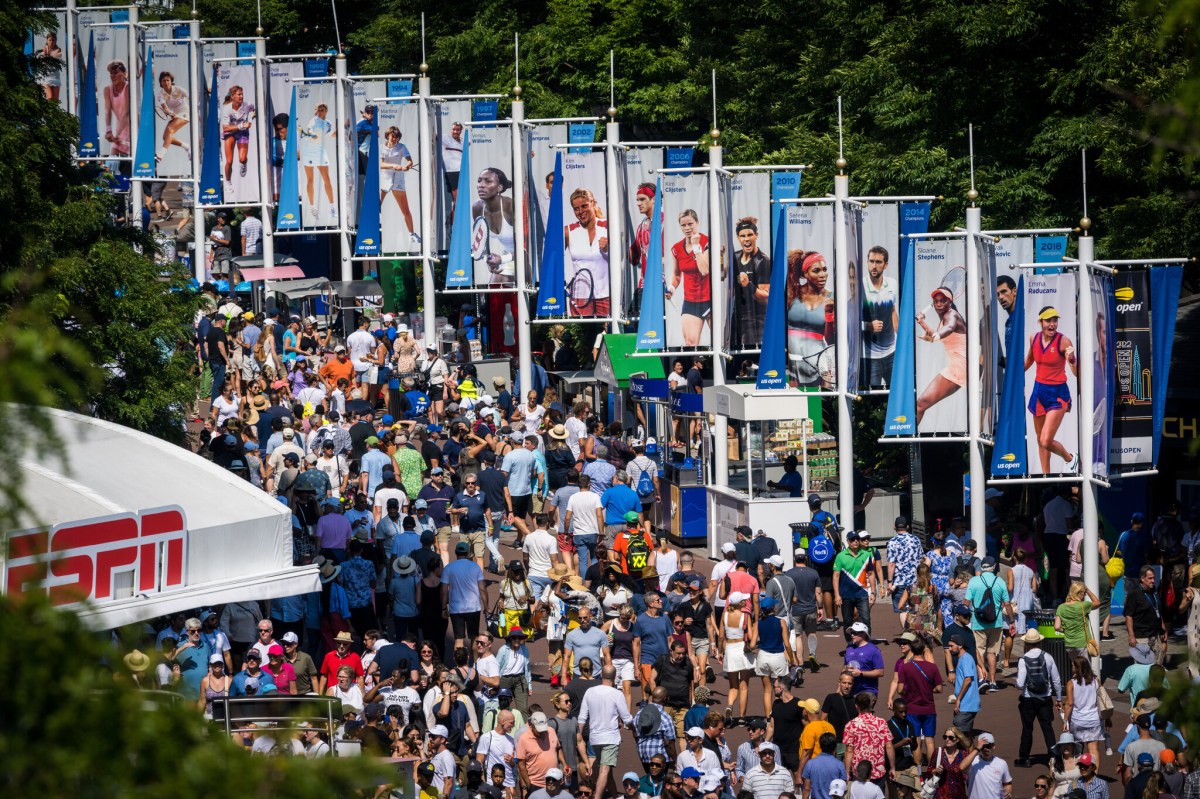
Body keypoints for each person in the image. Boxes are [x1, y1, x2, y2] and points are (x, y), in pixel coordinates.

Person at [1024, 307, 1079, 473]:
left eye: (1055, 320)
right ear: (1040, 322)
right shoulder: (1034, 338)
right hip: (1038, 392)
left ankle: (1071, 458)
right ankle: (1046, 476)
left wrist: (1072, 359)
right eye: (1048, 320)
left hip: (1058, 394)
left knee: (1046, 440)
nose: (1052, 324)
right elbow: (1029, 360)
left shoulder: (1064, 342)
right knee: (1039, 440)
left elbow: (1076, 373)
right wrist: (1013, 376)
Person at [578, 665, 634, 799]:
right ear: (615, 677)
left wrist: (579, 735)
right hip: (610, 738)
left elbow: (582, 716)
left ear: (601, 675)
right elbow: (626, 718)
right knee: (604, 769)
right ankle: (597, 797)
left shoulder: (590, 692)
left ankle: (614, 795)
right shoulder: (617, 694)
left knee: (605, 771)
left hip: (594, 738)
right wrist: (634, 726)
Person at [914, 286, 967, 426]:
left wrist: (936, 335)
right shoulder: (944, 318)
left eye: (943, 301)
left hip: (960, 369)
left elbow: (948, 328)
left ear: (950, 301)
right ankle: (910, 440)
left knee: (920, 404)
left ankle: (909, 443)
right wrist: (922, 322)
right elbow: (936, 334)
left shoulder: (952, 315)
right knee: (920, 404)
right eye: (936, 301)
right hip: (957, 367)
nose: (939, 304)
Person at [1013, 629, 1063, 768]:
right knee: (1047, 727)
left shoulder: (1023, 660)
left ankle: (1024, 758)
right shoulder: (1048, 656)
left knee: (1027, 728)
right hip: (1045, 698)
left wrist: (1016, 683)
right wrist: (1058, 698)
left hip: (1028, 699)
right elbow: (1056, 679)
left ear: (1026, 643)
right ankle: (1054, 756)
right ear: (1040, 642)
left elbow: (1020, 683)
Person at [786, 249, 835, 387]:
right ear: (805, 274)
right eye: (816, 271)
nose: (823, 275)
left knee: (820, 406)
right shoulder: (791, 294)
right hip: (791, 363)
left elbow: (831, 341)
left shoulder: (832, 298)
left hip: (818, 364)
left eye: (825, 270)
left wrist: (829, 315)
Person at [666, 209, 712, 346]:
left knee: (720, 342)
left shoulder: (707, 242)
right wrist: (672, 288)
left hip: (710, 300)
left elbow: (704, 270)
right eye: (683, 225)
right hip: (691, 301)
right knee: (690, 343)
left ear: (697, 223)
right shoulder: (676, 248)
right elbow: (676, 273)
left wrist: (696, 246)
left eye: (690, 224)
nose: (687, 228)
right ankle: (693, 368)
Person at [564, 188, 611, 317]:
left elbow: (623, 259)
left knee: (607, 335)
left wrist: (609, 249)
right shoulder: (568, 231)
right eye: (576, 208)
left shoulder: (609, 225)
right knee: (583, 337)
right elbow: (553, 259)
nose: (580, 212)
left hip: (606, 294)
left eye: (584, 206)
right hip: (580, 297)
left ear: (593, 203)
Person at [965, 557, 1010, 691]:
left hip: (978, 622)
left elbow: (966, 603)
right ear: (994, 566)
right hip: (996, 622)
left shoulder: (974, 581)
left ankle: (981, 679)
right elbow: (1007, 604)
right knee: (992, 653)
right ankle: (993, 682)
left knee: (979, 651)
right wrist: (1012, 621)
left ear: (981, 568)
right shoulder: (1000, 581)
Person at [731, 217, 771, 350]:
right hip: (736, 319)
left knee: (750, 357)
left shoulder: (762, 261)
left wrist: (748, 285)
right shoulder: (734, 257)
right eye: (743, 236)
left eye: (750, 235)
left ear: (756, 236)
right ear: (738, 238)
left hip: (756, 322)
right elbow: (722, 276)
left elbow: (766, 298)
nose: (746, 239)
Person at [862, 245, 898, 388]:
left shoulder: (893, 284)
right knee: (873, 400)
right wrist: (868, 326)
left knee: (895, 395)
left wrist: (900, 338)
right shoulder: (860, 286)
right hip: (870, 357)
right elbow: (849, 322)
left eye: (878, 262)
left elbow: (893, 311)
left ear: (886, 265)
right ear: (867, 262)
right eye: (871, 261)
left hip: (892, 353)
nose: (874, 266)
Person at [717, 592, 757, 722]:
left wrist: (720, 651)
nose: (746, 601)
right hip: (742, 650)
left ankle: (729, 705)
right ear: (740, 603)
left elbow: (721, 636)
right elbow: (751, 636)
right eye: (744, 600)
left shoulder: (725, 614)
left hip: (729, 648)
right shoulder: (745, 615)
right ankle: (741, 717)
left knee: (733, 686)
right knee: (744, 685)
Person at [474, 167, 516, 286]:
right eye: (479, 180)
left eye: (488, 181)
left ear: (499, 188)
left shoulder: (510, 206)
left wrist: (502, 259)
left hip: (529, 256)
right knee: (493, 289)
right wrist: (489, 261)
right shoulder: (477, 208)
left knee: (497, 283)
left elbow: (527, 247)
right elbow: (481, 244)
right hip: (508, 255)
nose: (481, 185)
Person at [443, 541, 488, 651]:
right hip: (473, 607)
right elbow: (482, 588)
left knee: (458, 639)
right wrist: (486, 606)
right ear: (468, 553)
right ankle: (475, 663)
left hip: (456, 608)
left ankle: (459, 665)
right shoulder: (475, 567)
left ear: (455, 552)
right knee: (474, 637)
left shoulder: (449, 568)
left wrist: (444, 607)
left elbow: (444, 590)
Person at [842, 692, 893, 790]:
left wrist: (847, 772)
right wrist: (892, 767)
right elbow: (889, 746)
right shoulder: (881, 722)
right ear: (870, 705)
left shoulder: (850, 725)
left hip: (858, 771)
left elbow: (849, 750)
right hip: (878, 769)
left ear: (856, 706)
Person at [834, 532, 876, 639]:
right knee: (847, 621)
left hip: (862, 593)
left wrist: (873, 592)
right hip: (846, 595)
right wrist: (837, 595)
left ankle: (867, 643)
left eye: (857, 539)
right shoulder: (840, 556)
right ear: (848, 541)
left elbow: (871, 574)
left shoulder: (866, 555)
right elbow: (836, 576)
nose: (856, 541)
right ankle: (850, 644)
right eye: (852, 539)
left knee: (866, 619)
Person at [300, 104, 336, 221]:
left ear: (326, 111)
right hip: (309, 152)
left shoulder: (328, 123)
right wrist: (312, 134)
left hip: (320, 152)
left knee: (327, 179)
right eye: (319, 110)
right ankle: (312, 207)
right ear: (316, 111)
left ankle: (332, 208)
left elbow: (332, 135)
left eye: (323, 110)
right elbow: (309, 130)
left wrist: (343, 129)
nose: (321, 112)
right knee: (311, 180)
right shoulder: (313, 120)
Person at [380, 125, 418, 240]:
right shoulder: (381, 147)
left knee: (405, 209)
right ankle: (373, 227)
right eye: (392, 136)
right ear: (388, 135)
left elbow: (410, 161)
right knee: (376, 206)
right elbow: (381, 164)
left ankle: (412, 234)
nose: (394, 139)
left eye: (396, 137)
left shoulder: (402, 147)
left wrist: (408, 165)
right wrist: (393, 165)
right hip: (385, 178)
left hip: (398, 179)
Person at [1124, 566, 1166, 666]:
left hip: (1155, 635)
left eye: (1153, 578)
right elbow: (1128, 615)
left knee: (1157, 665)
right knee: (1144, 666)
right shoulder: (1134, 593)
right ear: (1142, 579)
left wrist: (1163, 628)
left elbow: (1157, 610)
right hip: (1141, 637)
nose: (1153, 581)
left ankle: (1156, 680)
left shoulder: (1154, 590)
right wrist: (1131, 635)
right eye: (1150, 578)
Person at [887, 517, 924, 627]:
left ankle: (906, 631)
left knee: (902, 608)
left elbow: (891, 564)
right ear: (907, 527)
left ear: (895, 527)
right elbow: (921, 558)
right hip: (915, 579)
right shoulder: (915, 539)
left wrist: (889, 581)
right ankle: (916, 631)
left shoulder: (892, 542)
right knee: (916, 607)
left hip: (899, 581)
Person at [219, 84, 255, 184]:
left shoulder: (247, 105)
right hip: (229, 132)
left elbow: (255, 109)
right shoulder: (227, 108)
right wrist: (240, 125)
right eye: (239, 95)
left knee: (242, 158)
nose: (241, 96)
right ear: (232, 96)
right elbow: (225, 128)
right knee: (229, 161)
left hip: (243, 132)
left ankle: (244, 164)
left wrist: (251, 119)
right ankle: (228, 183)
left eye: (242, 94)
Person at [1055, 581, 1099, 660]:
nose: (1085, 595)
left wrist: (1065, 630)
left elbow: (1057, 627)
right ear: (1079, 593)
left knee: (1076, 667)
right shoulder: (1083, 605)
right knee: (1085, 669)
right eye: (1084, 593)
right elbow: (1097, 603)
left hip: (1069, 644)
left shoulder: (1061, 607)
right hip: (1082, 643)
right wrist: (1088, 590)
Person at [960, 733, 1012, 799]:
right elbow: (962, 767)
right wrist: (977, 748)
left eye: (988, 746)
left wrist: (1008, 792)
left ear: (993, 746)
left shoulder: (1002, 764)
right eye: (983, 747)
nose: (985, 749)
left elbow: (1007, 783)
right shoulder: (973, 762)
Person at [154, 71, 190, 165]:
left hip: (185, 112)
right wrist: (170, 113)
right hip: (175, 113)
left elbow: (191, 97)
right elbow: (165, 108)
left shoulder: (179, 89)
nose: (166, 82)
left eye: (168, 80)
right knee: (165, 137)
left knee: (170, 129)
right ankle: (187, 147)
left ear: (171, 81)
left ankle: (161, 154)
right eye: (164, 81)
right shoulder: (160, 95)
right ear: (161, 83)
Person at [946, 636, 979, 734]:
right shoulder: (962, 658)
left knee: (959, 733)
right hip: (965, 704)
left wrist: (958, 699)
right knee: (965, 735)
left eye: (952, 646)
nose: (949, 649)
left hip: (966, 704)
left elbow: (968, 679)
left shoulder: (966, 659)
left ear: (960, 646)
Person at [103, 60, 131, 157]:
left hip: (133, 126)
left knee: (128, 162)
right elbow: (107, 112)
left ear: (124, 74)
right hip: (120, 127)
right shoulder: (107, 90)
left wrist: (119, 134)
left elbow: (126, 112)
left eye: (116, 73)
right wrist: (108, 131)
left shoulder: (129, 87)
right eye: (111, 73)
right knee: (113, 161)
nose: (113, 76)